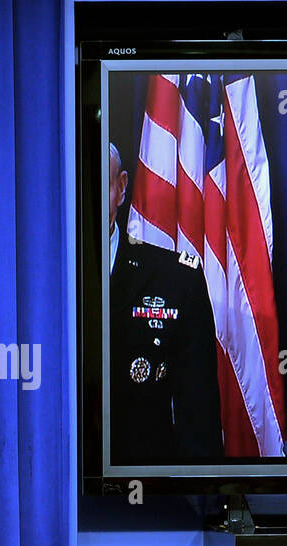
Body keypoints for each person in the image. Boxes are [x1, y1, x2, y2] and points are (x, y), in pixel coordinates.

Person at [107, 143, 223, 464]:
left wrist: (204, 503)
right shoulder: (36, 280)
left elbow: (198, 415)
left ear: (121, 187)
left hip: (149, 489)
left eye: (102, 182)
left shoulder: (176, 279)